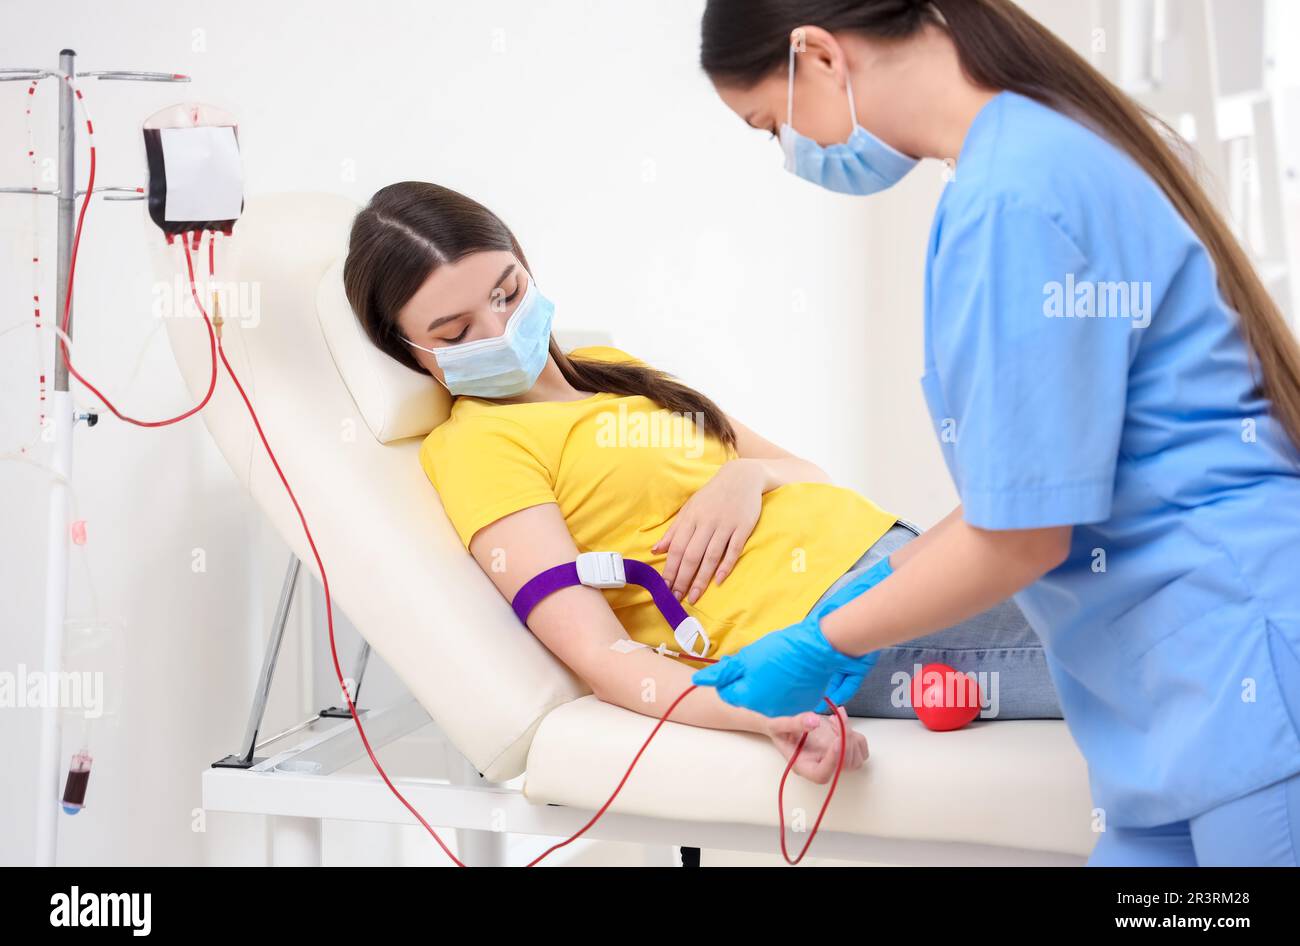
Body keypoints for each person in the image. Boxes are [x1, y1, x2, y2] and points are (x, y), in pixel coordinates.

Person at [692, 0, 1300, 865]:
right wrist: (867, 589)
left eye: (768, 125)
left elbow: (1018, 538)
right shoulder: (1023, 160)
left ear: (817, 57)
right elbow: (1024, 486)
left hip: (1244, 677)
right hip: (1166, 714)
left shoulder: (1015, 194)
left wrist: (827, 638)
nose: (787, 152)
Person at [343, 180, 1063, 784]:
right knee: (1147, 641)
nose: (499, 332)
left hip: (895, 552)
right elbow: (599, 651)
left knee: (1121, 552)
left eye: (507, 293)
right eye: (456, 331)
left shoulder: (607, 366)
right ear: (410, 354)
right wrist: (760, 710)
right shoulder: (476, 446)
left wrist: (743, 479)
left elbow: (805, 474)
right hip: (836, 632)